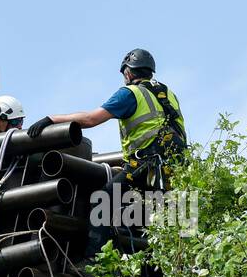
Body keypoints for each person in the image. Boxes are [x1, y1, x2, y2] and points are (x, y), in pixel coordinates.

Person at [26, 48, 187, 193]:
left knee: (101, 204)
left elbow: (90, 119)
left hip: (145, 166)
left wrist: (52, 119)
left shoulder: (130, 94)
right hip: (176, 168)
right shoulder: (170, 95)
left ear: (128, 73)